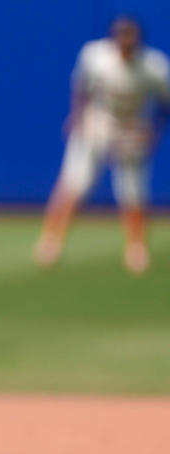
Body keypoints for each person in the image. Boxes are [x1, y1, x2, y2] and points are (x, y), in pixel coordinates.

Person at [34, 16, 170, 275]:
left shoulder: (155, 67)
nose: (126, 42)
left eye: (131, 37)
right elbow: (81, 86)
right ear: (114, 39)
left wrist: (154, 131)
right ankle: (51, 241)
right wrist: (76, 116)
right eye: (122, 37)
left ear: (138, 40)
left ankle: (137, 249)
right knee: (75, 182)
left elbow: (166, 104)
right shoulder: (95, 56)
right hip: (98, 122)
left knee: (133, 191)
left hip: (131, 127)